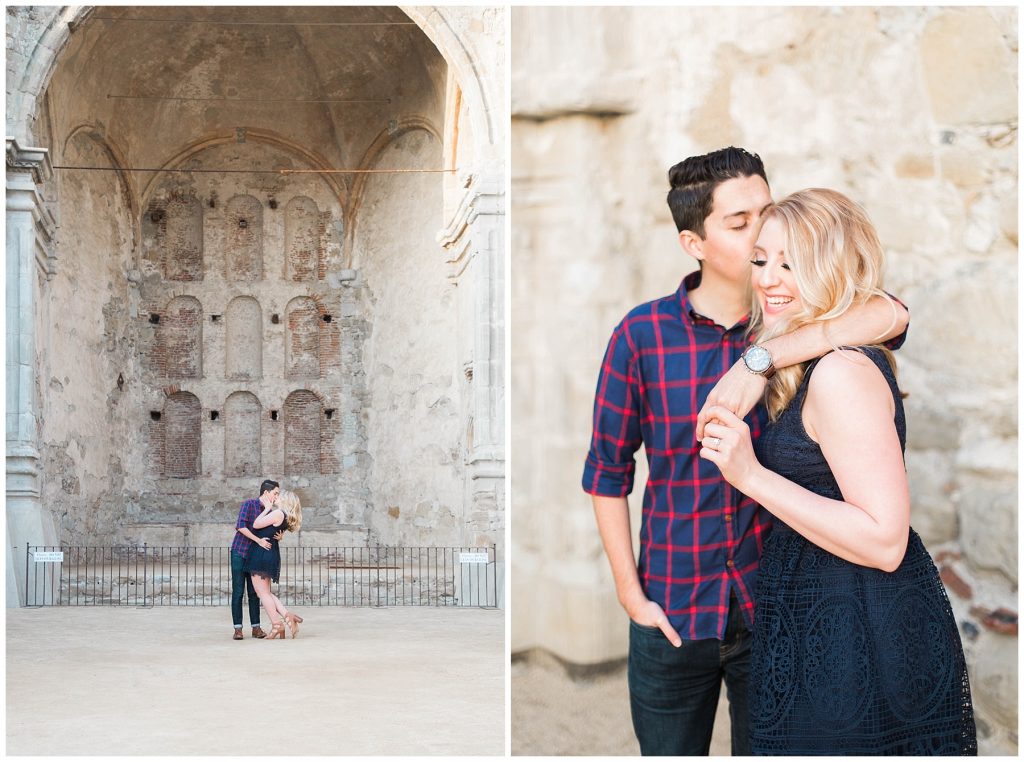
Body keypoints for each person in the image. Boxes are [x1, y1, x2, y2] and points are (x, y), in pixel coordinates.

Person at [582, 147, 910, 756]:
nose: (763, 229)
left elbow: (892, 313)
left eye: (766, 210)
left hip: (775, 609)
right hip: (672, 604)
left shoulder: (795, 322)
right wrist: (632, 595)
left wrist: (765, 355)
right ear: (693, 242)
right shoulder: (641, 335)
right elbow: (606, 473)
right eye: (740, 223)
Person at [698, 188, 976, 754]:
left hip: (861, 626)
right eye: (762, 260)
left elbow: (885, 540)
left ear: (831, 271)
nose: (769, 278)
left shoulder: (839, 373)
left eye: (792, 263)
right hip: (812, 614)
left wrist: (750, 475)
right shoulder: (797, 361)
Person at [243, 489, 304, 639]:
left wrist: (268, 508)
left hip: (262, 553)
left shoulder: (278, 513)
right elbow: (273, 532)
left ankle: (277, 624)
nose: (276, 497)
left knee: (262, 593)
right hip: (269, 553)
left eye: (279, 496)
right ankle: (287, 616)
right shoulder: (284, 516)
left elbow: (256, 524)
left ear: (285, 500)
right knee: (266, 592)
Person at [230, 479, 282, 640]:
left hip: (255, 557)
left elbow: (271, 530)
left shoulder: (271, 510)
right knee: (238, 592)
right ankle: (238, 628)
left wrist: (279, 537)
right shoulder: (249, 504)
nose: (277, 497)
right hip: (240, 552)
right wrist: (258, 540)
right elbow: (241, 526)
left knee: (254, 593)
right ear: (266, 493)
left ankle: (256, 628)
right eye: (275, 493)